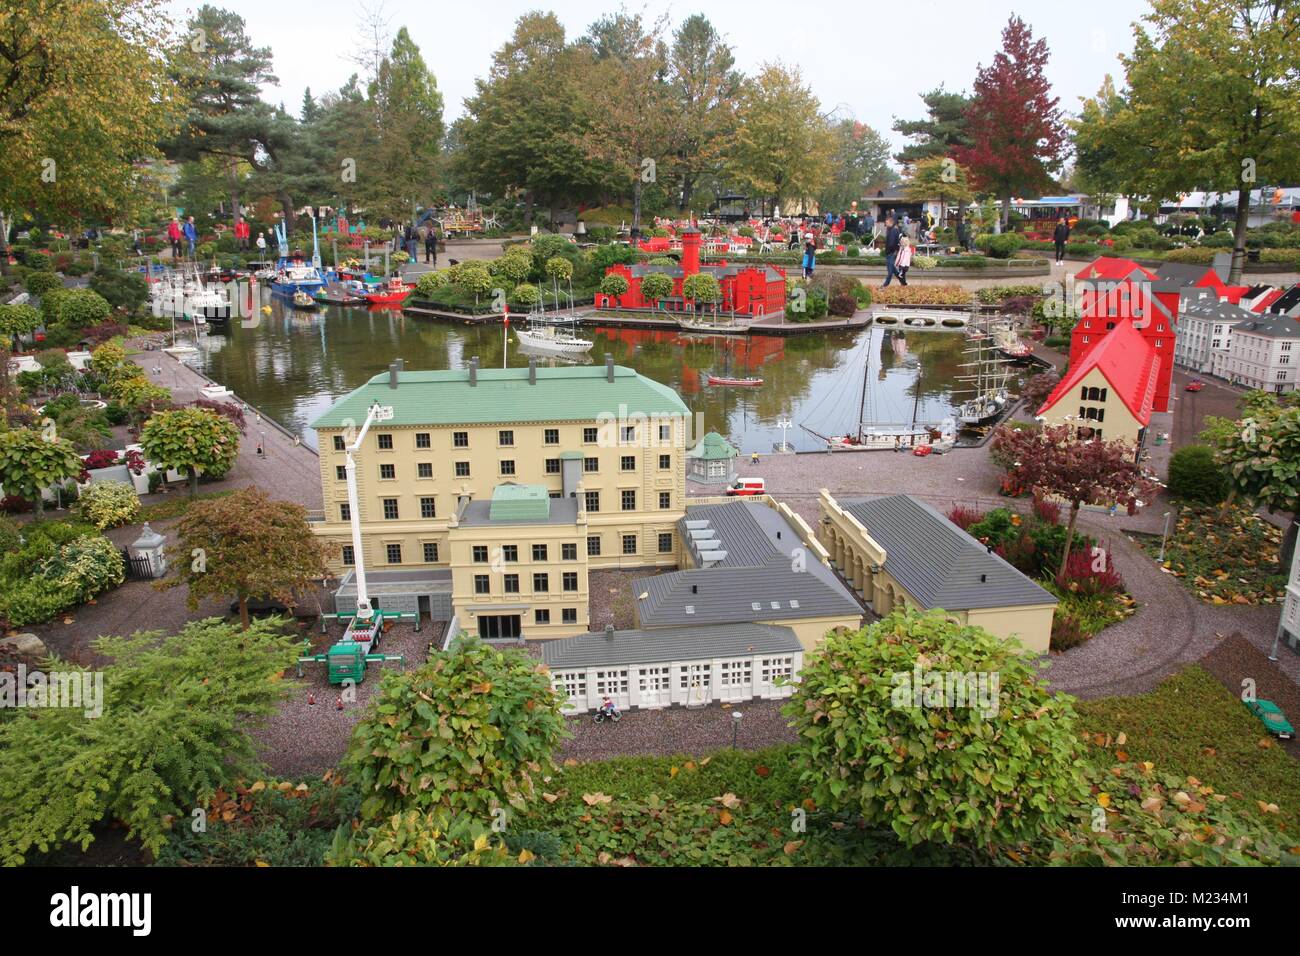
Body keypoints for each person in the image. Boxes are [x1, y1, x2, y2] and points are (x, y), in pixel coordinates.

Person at [881, 216, 902, 288]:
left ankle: (885, 285)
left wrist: (890, 251)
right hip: (891, 252)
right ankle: (903, 281)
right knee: (893, 270)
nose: (885, 223)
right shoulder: (892, 230)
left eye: (886, 222)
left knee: (890, 271)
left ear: (891, 222)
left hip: (891, 253)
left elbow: (892, 243)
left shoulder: (892, 231)